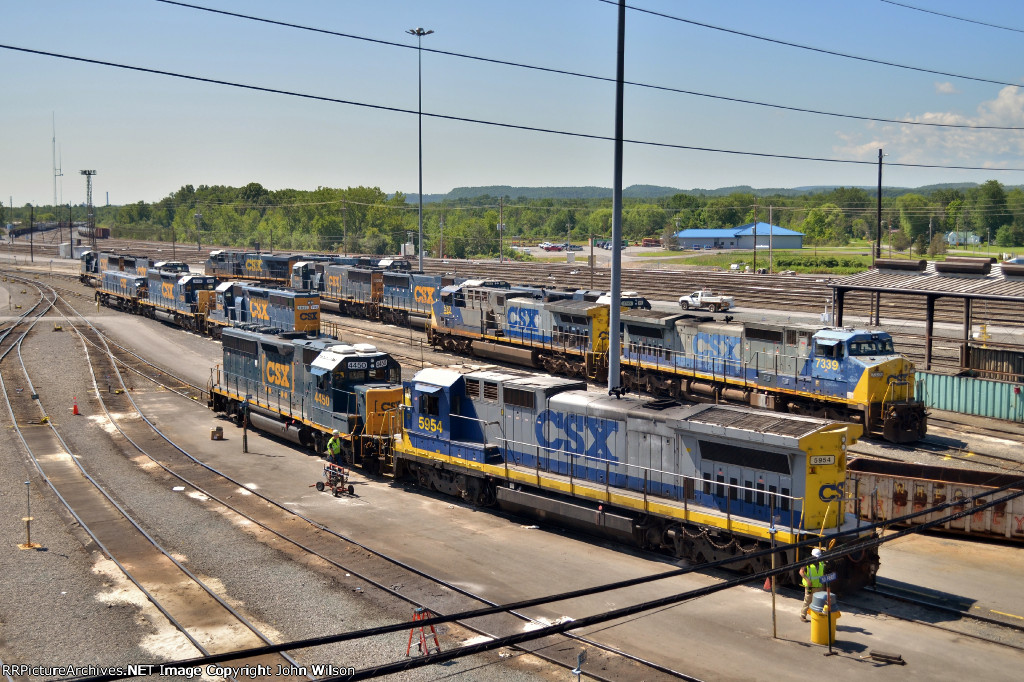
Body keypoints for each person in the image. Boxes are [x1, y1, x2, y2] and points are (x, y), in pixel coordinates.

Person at [799, 548, 825, 622]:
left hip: (819, 585)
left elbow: (822, 574)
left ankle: (818, 616)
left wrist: (823, 584)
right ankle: (803, 615)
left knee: (820, 601)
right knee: (807, 601)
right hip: (810, 586)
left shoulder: (821, 563)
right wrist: (808, 580)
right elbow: (801, 572)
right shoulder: (807, 563)